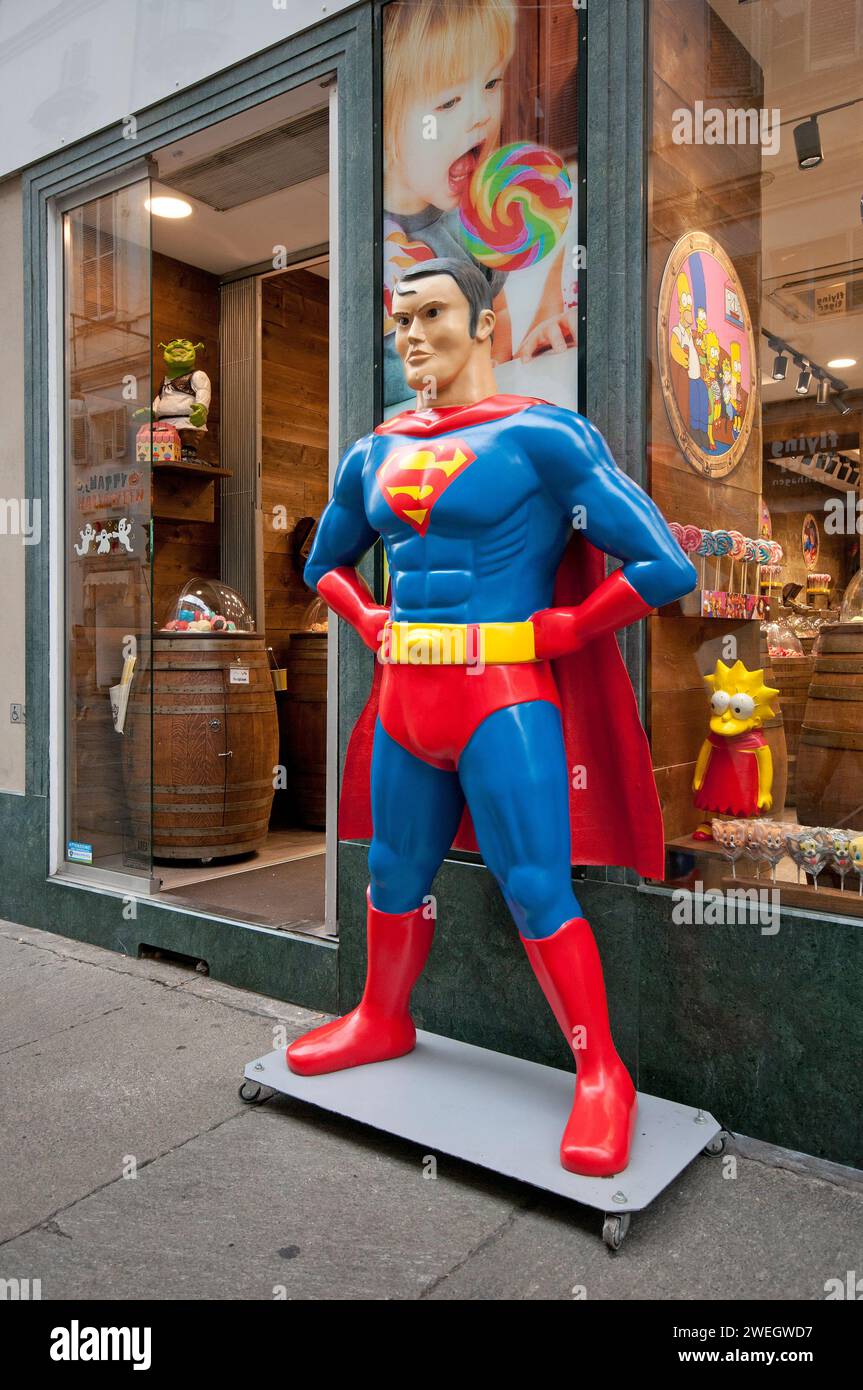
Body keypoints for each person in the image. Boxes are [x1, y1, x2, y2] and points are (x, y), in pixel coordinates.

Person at [286, 257, 696, 1177]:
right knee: (393, 870)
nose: (413, 335)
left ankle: (601, 1074)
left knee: (534, 887)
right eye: (400, 321)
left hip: (502, 697)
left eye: (432, 312)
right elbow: (324, 564)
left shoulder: (544, 439)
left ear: (486, 322)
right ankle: (381, 1018)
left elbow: (665, 564)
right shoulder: (373, 451)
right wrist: (371, 619)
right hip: (406, 699)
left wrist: (560, 630)